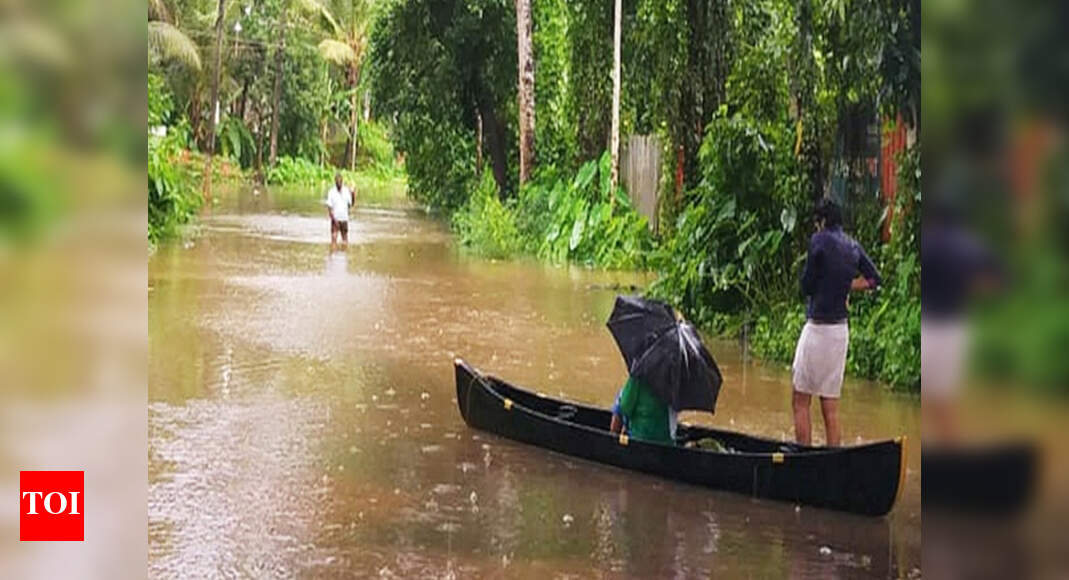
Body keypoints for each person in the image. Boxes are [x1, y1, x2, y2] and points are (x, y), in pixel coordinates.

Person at [792, 198, 880, 446]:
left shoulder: (818, 241)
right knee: (830, 406)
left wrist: (823, 284)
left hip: (818, 328)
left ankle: (803, 457)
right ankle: (834, 458)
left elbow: (806, 286)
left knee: (800, 400)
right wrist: (848, 285)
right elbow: (875, 279)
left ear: (821, 221)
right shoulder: (853, 246)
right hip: (840, 332)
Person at [610, 375, 678, 445]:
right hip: (668, 440)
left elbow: (624, 407)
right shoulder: (674, 378)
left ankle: (613, 438)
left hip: (639, 436)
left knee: (620, 397)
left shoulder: (638, 375)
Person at [325, 173, 354, 250]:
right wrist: (334, 219)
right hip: (335, 218)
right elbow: (329, 207)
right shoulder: (331, 192)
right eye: (337, 182)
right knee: (334, 238)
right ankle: (333, 255)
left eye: (340, 182)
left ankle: (344, 254)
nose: (339, 184)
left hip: (344, 218)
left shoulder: (346, 191)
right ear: (335, 182)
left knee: (345, 239)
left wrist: (353, 194)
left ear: (342, 182)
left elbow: (351, 204)